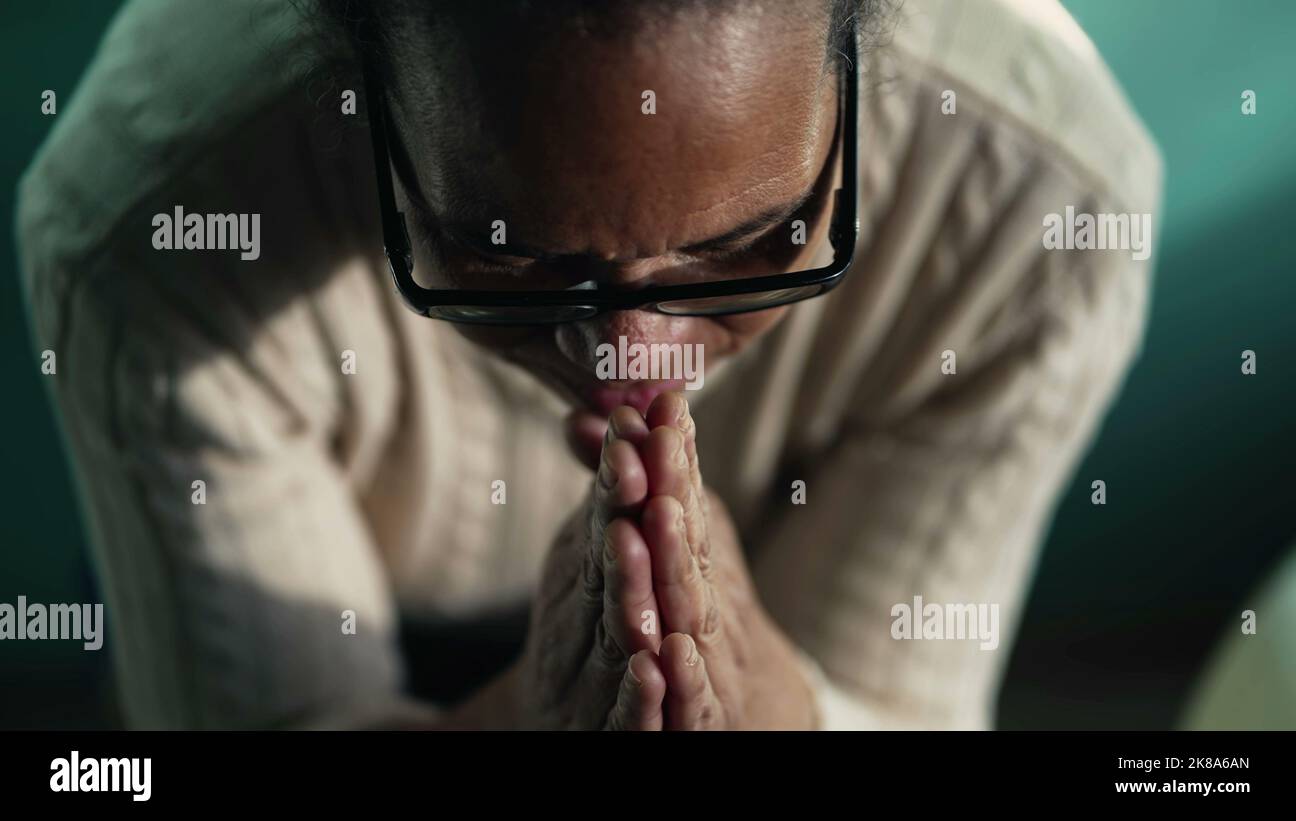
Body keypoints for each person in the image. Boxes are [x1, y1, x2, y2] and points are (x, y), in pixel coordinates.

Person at [16, 0, 1161, 729]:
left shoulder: (1044, 220)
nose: (628, 356)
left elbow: (905, 705)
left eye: (747, 245)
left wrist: (775, 706)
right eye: (498, 252)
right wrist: (526, 716)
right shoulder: (145, 227)